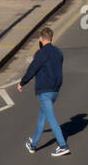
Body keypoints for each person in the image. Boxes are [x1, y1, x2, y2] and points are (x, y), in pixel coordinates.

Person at [18, 25, 69, 156]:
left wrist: (22, 82)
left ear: (41, 39)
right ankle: (33, 145)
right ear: (52, 38)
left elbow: (32, 69)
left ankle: (63, 145)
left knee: (51, 119)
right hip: (55, 90)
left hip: (45, 91)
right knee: (42, 119)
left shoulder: (41, 54)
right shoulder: (58, 52)